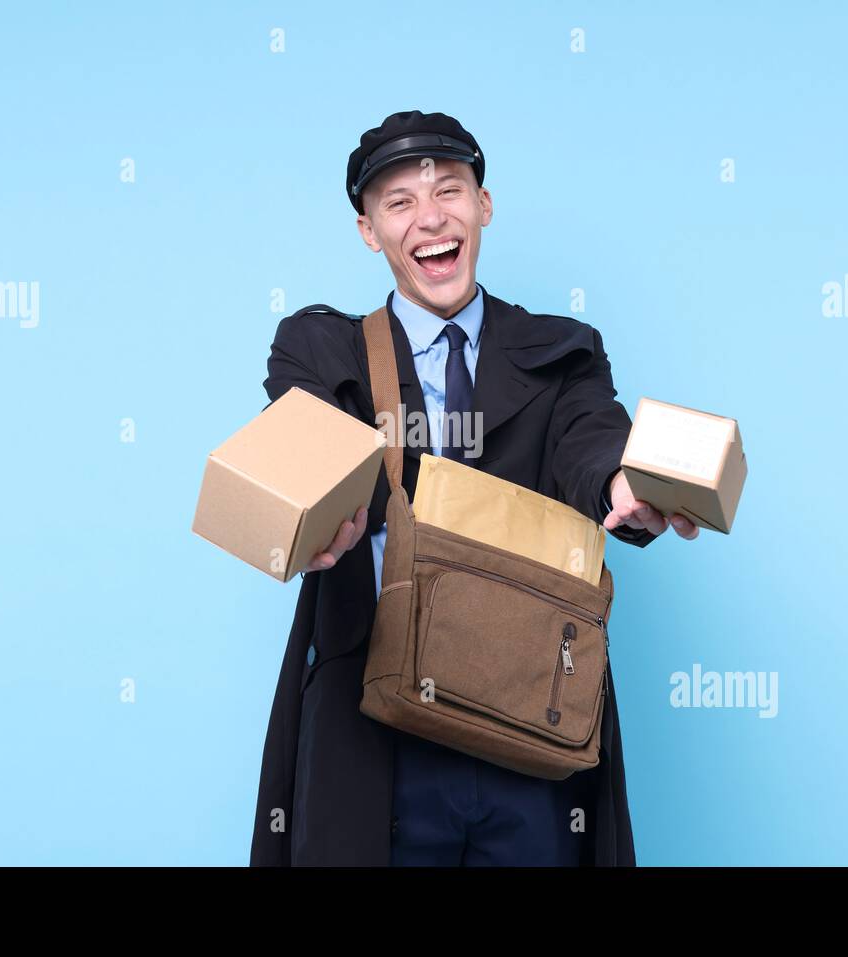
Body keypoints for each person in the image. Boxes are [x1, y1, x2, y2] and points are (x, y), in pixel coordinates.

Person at [250, 110, 699, 867]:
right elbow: (305, 445)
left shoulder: (562, 351)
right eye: (399, 203)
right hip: (376, 726)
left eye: (450, 191)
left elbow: (592, 440)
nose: (431, 218)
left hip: (527, 723)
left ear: (483, 207)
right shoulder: (323, 349)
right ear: (368, 230)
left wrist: (626, 483)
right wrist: (314, 515)